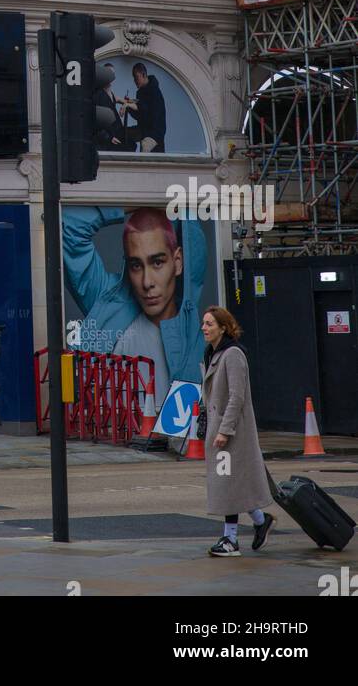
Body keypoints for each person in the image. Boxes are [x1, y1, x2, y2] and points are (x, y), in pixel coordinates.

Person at [63, 207, 207, 405]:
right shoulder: (108, 301)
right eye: (136, 265)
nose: (147, 282)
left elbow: (194, 243)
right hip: (117, 431)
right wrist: (129, 205)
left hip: (174, 434)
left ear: (178, 262)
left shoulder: (190, 323)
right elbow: (68, 227)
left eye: (157, 262)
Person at [201, 307, 275, 558]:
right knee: (230, 482)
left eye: (209, 323)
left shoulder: (232, 354)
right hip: (220, 430)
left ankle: (231, 539)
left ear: (223, 327)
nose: (204, 327)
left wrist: (225, 429)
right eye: (204, 323)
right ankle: (259, 520)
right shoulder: (214, 353)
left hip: (232, 433)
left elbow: (237, 396)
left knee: (228, 483)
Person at [122, 62, 167, 152]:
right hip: (143, 129)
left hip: (154, 132)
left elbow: (145, 109)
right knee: (123, 133)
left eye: (136, 77)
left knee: (145, 145)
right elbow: (140, 115)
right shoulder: (140, 92)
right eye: (133, 78)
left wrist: (130, 104)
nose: (135, 81)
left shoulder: (154, 90)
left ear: (143, 74)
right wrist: (129, 107)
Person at [95, 62, 126, 150]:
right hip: (107, 143)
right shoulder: (98, 94)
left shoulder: (110, 93)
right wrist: (108, 137)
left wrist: (126, 104)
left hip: (115, 140)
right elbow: (95, 120)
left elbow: (119, 99)